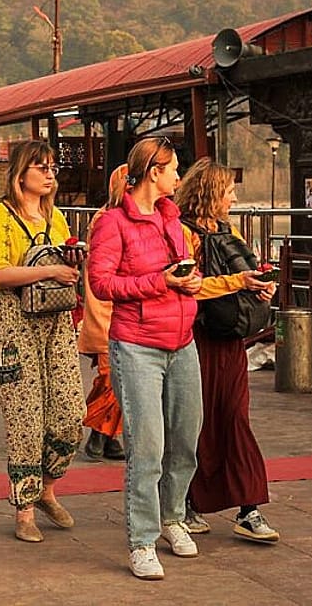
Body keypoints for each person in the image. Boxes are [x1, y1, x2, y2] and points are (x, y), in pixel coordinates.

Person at [88, 136, 203, 580]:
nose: (179, 175)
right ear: (154, 171)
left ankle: (173, 517)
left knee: (187, 437)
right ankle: (141, 540)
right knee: (147, 446)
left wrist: (189, 283)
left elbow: (181, 271)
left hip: (182, 340)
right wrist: (161, 282)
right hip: (136, 345)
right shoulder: (112, 223)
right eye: (174, 167)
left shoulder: (172, 219)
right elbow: (102, 284)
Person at [0, 139, 85, 543]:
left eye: (52, 166)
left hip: (57, 320)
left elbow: (63, 262)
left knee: (70, 410)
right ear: (20, 172)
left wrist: (72, 265)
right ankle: (24, 508)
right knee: (25, 416)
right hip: (14, 323)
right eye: (40, 166)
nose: (49, 173)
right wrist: (48, 273)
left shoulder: (55, 216)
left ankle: (47, 487)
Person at [175, 159, 280, 544]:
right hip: (196, 337)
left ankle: (249, 507)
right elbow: (189, 285)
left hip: (231, 340)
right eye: (228, 190)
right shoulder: (182, 233)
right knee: (195, 422)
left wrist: (261, 288)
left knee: (235, 417)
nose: (234, 197)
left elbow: (245, 273)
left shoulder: (227, 230)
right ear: (210, 193)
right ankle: (186, 500)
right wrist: (238, 281)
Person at [76, 165, 129, 461]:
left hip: (122, 310)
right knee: (112, 378)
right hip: (106, 310)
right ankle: (98, 430)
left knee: (120, 379)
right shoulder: (106, 220)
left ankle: (105, 436)